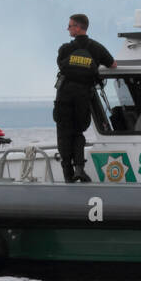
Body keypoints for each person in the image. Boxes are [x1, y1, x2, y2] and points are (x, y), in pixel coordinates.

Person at [54, 14, 116, 182]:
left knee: (64, 134)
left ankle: (68, 174)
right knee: (78, 133)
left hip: (64, 98)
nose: (68, 29)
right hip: (83, 98)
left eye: (70, 26)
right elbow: (113, 65)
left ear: (78, 27)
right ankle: (80, 169)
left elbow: (61, 65)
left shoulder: (65, 49)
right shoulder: (97, 48)